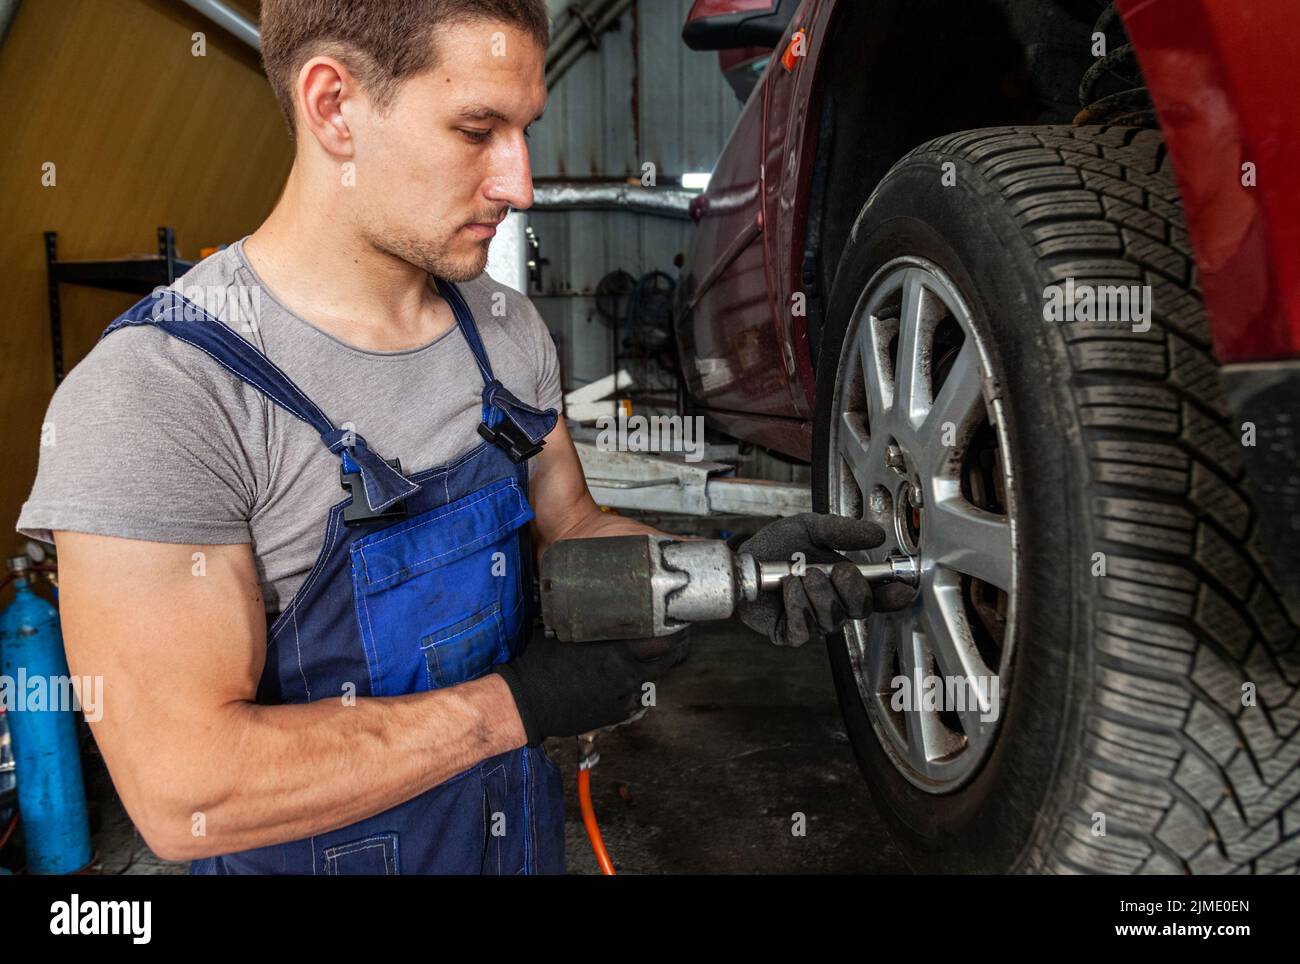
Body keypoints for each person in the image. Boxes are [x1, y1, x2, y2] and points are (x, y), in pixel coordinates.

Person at [16, 0, 888, 875]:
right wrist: (514, 706)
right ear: (333, 106)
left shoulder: (502, 332)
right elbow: (187, 791)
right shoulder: (160, 392)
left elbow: (575, 529)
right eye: (477, 129)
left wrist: (728, 575)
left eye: (524, 130)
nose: (521, 184)